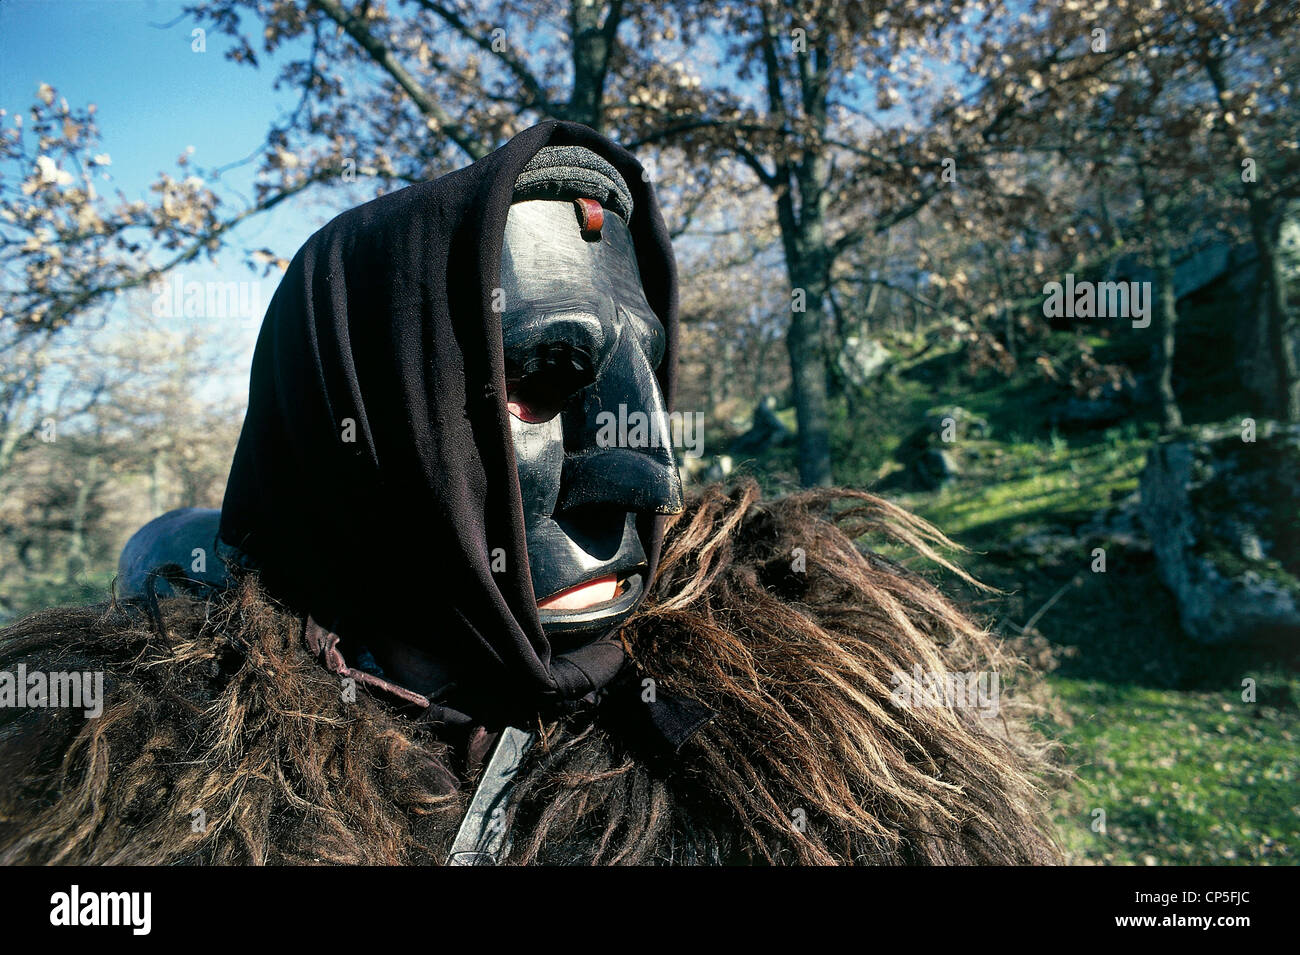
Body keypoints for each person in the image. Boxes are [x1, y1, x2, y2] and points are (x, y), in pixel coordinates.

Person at [0, 121, 1060, 865]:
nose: (642, 470)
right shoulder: (127, 778)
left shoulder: (818, 748)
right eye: (541, 381)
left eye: (645, 388)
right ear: (360, 427)